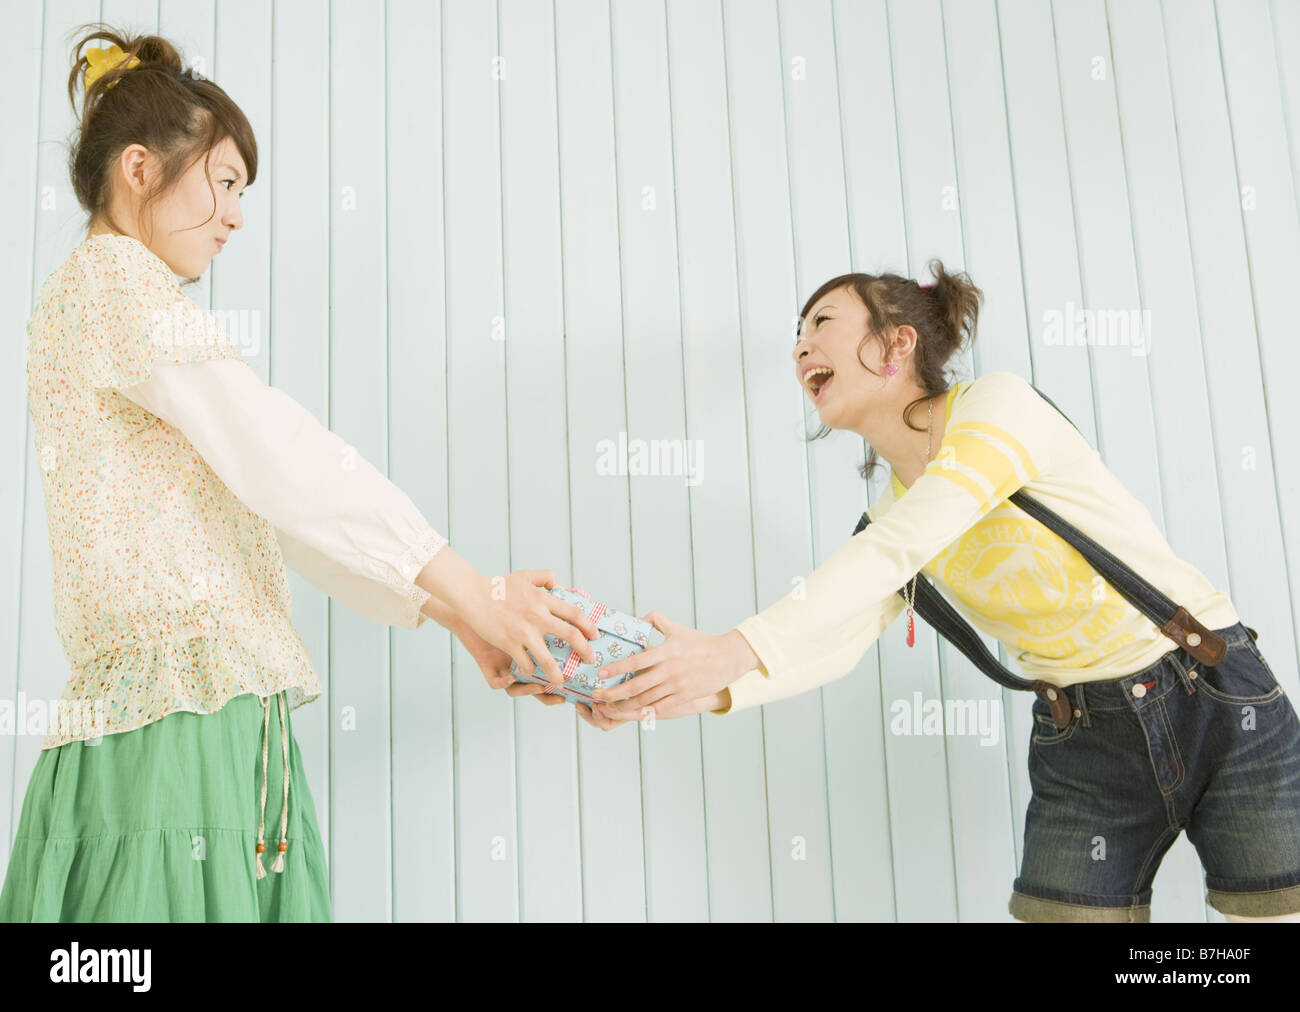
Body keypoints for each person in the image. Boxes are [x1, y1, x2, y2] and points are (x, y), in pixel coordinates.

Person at [0, 27, 599, 922]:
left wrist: (461, 612)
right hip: (179, 730)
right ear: (139, 169)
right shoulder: (113, 285)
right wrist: (472, 595)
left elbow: (270, 503)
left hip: (192, 715)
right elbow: (283, 459)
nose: (236, 216)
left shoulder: (103, 297)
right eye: (224, 181)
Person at [566, 260, 1300, 923]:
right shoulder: (890, 514)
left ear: (897, 343)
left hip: (1208, 691)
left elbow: (905, 542)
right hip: (1083, 735)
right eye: (796, 335)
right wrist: (688, 688)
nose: (800, 347)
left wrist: (729, 650)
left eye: (821, 322)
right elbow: (834, 642)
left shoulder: (998, 408)